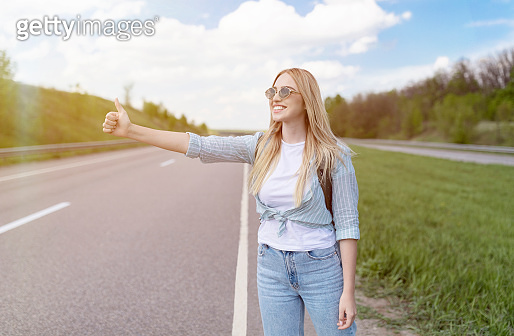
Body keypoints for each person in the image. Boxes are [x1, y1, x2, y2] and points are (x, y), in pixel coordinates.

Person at [102, 68, 359, 335]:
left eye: (285, 91)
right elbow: (200, 145)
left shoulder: (334, 156)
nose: (275, 98)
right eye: (271, 91)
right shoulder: (260, 146)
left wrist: (348, 292)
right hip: (271, 265)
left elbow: (348, 225)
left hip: (320, 268)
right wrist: (132, 130)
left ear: (307, 100)